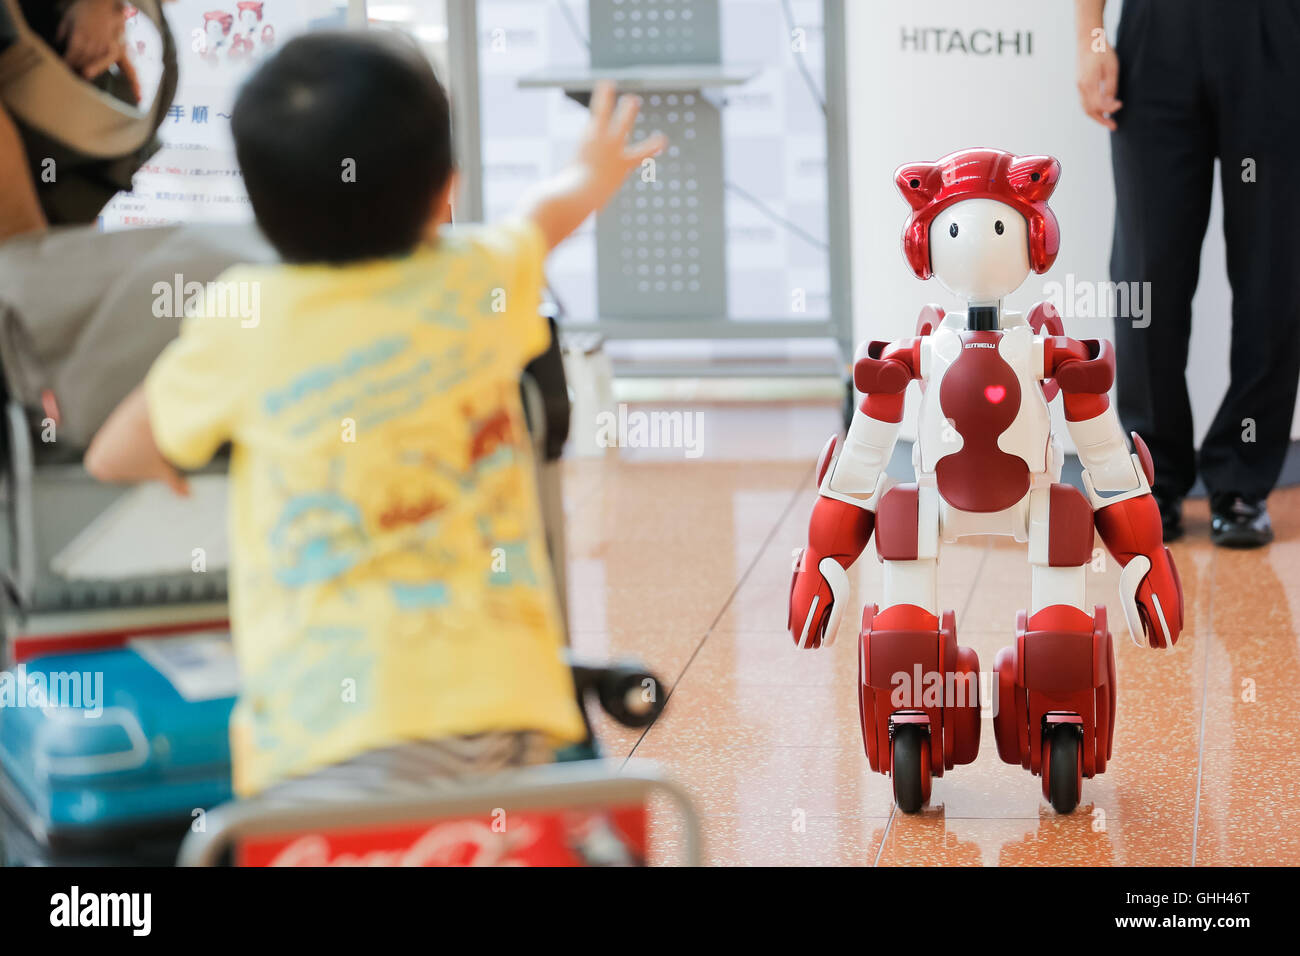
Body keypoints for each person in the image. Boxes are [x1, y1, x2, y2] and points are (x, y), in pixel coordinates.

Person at [84, 31, 665, 800]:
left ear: (261, 207)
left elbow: (116, 452)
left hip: (324, 730)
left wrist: (175, 462)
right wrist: (594, 171)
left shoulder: (247, 315)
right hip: (505, 712)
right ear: (444, 189)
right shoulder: (477, 279)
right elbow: (545, 218)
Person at [1075, 0, 1300, 547]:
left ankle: (1243, 479)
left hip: (1275, 35)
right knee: (1146, 272)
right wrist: (1093, 40)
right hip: (1157, 37)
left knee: (1273, 266)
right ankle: (1156, 472)